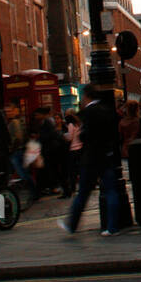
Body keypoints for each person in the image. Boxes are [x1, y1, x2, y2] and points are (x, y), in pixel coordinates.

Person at [58, 83, 123, 237]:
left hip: (91, 158)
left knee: (83, 193)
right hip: (106, 155)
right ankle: (113, 227)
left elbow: (84, 135)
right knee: (111, 191)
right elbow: (115, 134)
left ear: (86, 96)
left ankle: (72, 225)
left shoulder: (88, 112)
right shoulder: (107, 110)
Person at [5, 101, 35, 200]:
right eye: (6, 112)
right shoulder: (17, 121)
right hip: (20, 151)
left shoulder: (14, 122)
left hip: (17, 151)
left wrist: (12, 148)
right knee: (24, 173)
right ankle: (33, 192)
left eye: (9, 111)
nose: (8, 113)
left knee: (23, 174)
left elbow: (18, 137)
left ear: (15, 111)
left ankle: (34, 191)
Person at [62, 111, 83, 198]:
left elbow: (70, 137)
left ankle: (73, 188)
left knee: (72, 171)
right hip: (79, 148)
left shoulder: (70, 125)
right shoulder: (77, 125)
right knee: (79, 169)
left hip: (73, 149)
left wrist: (63, 136)